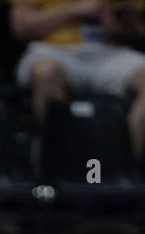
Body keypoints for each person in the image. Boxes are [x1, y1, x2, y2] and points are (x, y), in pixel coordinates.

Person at [12, 0, 145, 163]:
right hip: (53, 50)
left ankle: (124, 169)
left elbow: (137, 30)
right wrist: (72, 11)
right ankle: (59, 165)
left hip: (111, 52)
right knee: (45, 72)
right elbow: (20, 27)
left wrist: (119, 24)